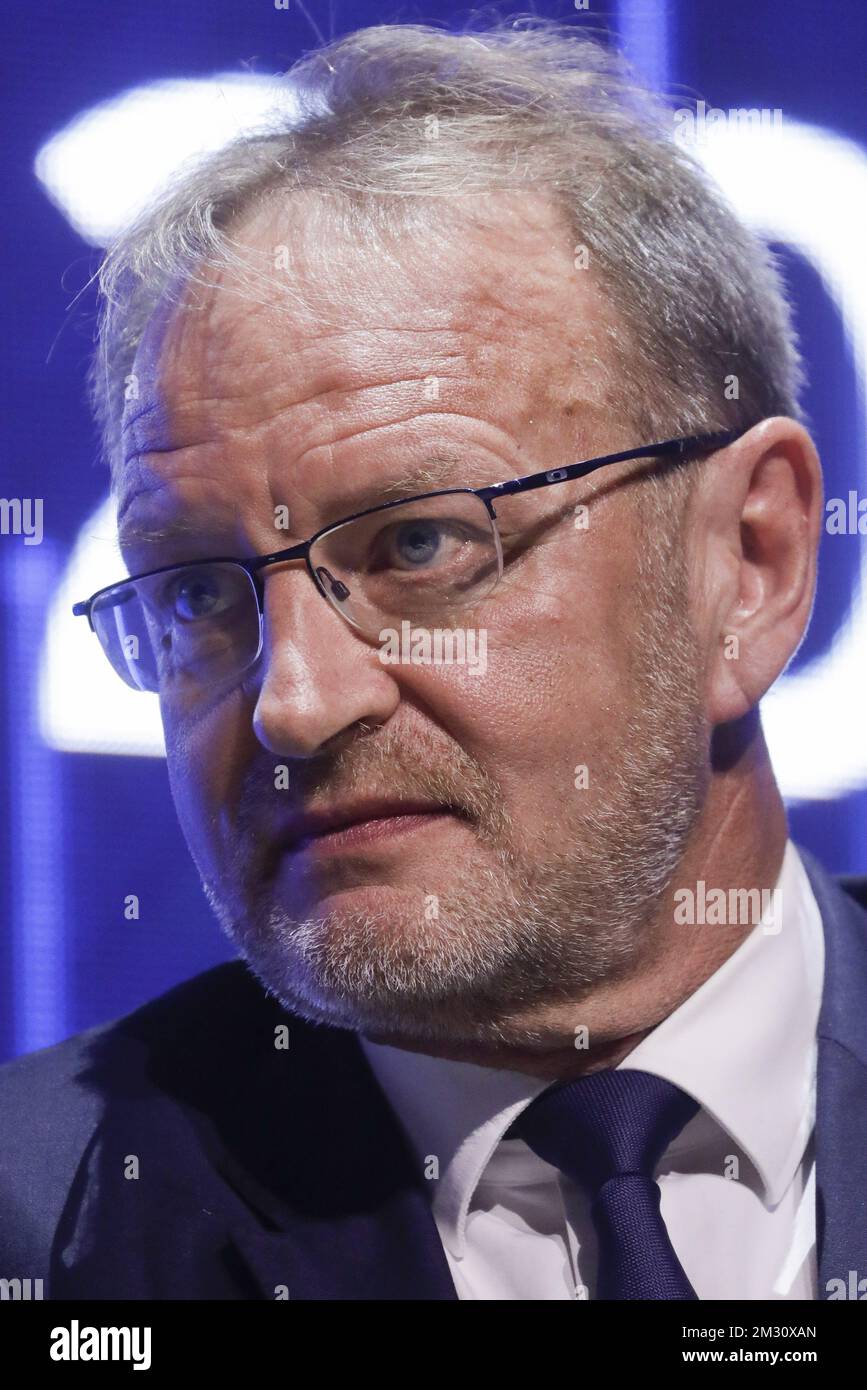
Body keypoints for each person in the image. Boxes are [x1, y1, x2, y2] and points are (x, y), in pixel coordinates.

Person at [1, 18, 865, 1302]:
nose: (295, 701)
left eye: (417, 541)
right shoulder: (44, 1226)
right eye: (195, 592)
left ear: (750, 560)